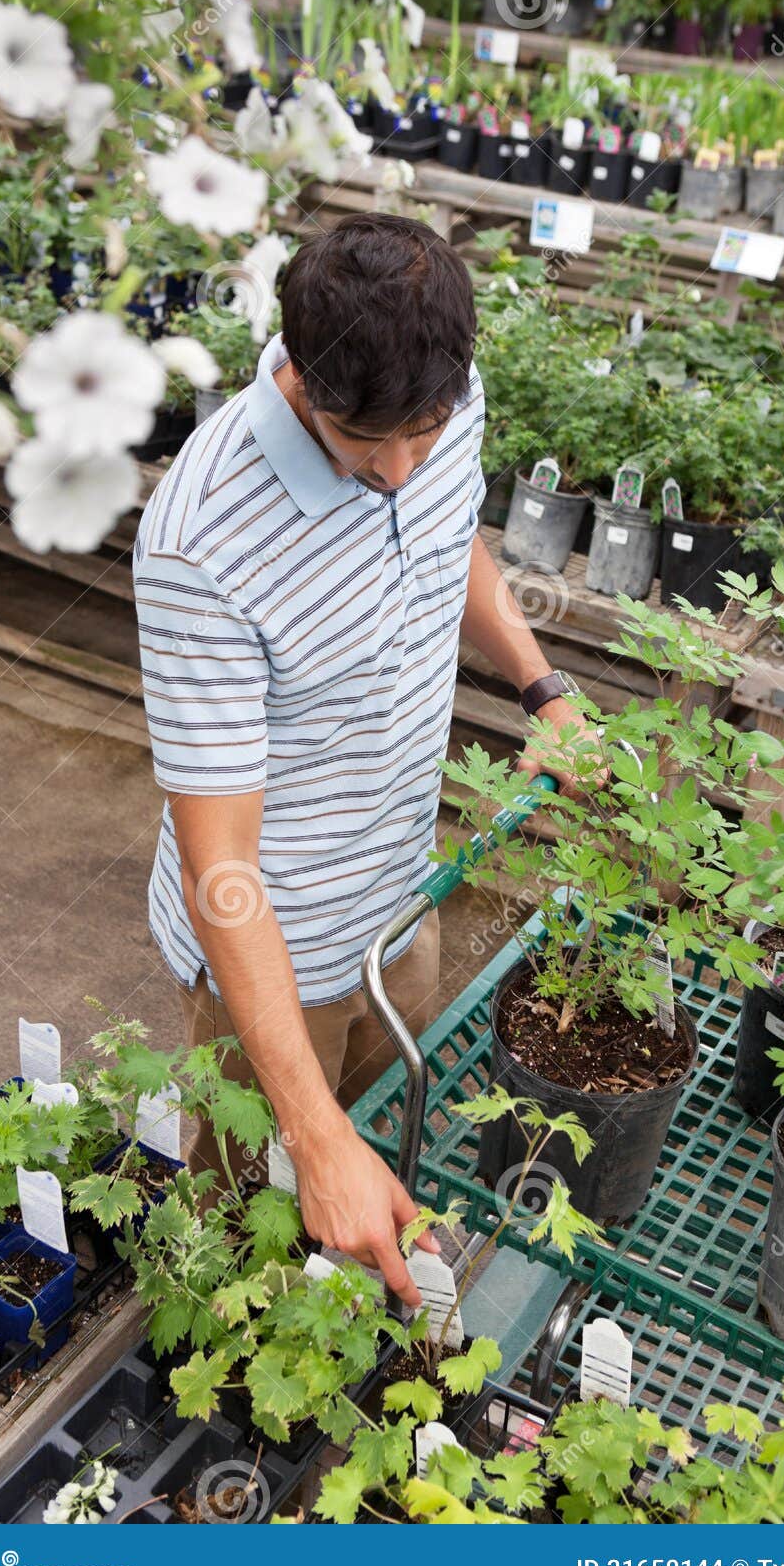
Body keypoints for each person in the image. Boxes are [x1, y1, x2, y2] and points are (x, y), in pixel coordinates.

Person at [133, 212, 585, 1307]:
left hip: (400, 899)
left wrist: (541, 686)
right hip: (270, 950)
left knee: (375, 1149)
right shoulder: (203, 542)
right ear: (297, 370)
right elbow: (221, 870)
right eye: (359, 442)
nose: (395, 470)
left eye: (419, 437)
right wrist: (310, 1125)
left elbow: (448, 542)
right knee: (247, 1220)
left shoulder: (439, 400)